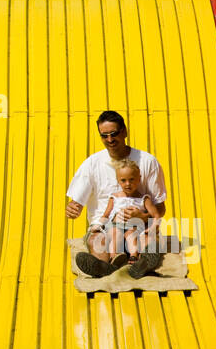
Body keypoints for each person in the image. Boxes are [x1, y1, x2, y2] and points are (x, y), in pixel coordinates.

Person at [66, 110, 168, 278]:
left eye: (114, 134)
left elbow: (160, 208)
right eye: (104, 136)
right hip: (107, 228)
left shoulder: (148, 162)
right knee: (97, 241)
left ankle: (139, 264)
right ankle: (107, 267)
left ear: (125, 131)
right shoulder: (91, 164)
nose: (110, 140)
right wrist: (72, 208)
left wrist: (142, 216)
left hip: (139, 227)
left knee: (149, 241)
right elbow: (75, 203)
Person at [99, 160, 161, 261]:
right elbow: (106, 215)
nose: (128, 184)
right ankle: (114, 257)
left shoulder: (144, 199)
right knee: (115, 233)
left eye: (132, 179)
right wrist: (98, 226)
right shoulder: (114, 197)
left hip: (134, 227)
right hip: (116, 226)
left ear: (139, 179)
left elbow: (156, 216)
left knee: (131, 234)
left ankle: (134, 256)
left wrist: (154, 227)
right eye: (123, 180)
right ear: (118, 180)